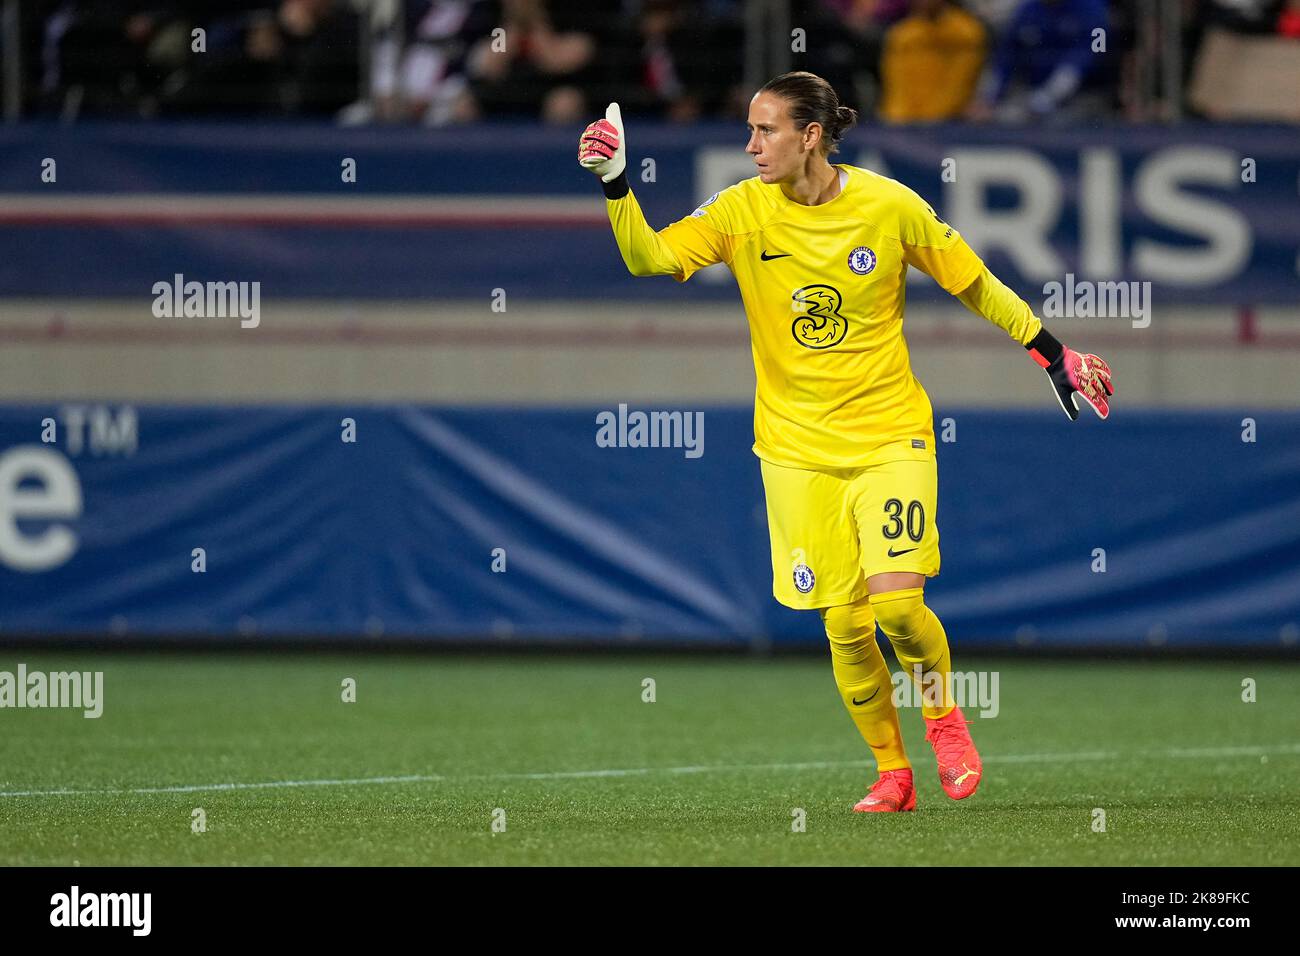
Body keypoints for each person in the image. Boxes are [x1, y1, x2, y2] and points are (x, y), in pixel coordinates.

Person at [577, 71, 1112, 812]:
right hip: (795, 453)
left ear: (811, 136)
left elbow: (974, 281)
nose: (751, 145)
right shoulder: (741, 211)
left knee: (896, 608)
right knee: (845, 626)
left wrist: (1053, 352)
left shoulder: (888, 206)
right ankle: (893, 775)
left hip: (891, 436)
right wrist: (615, 183)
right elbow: (650, 258)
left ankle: (945, 720)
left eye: (766, 131)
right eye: (750, 129)